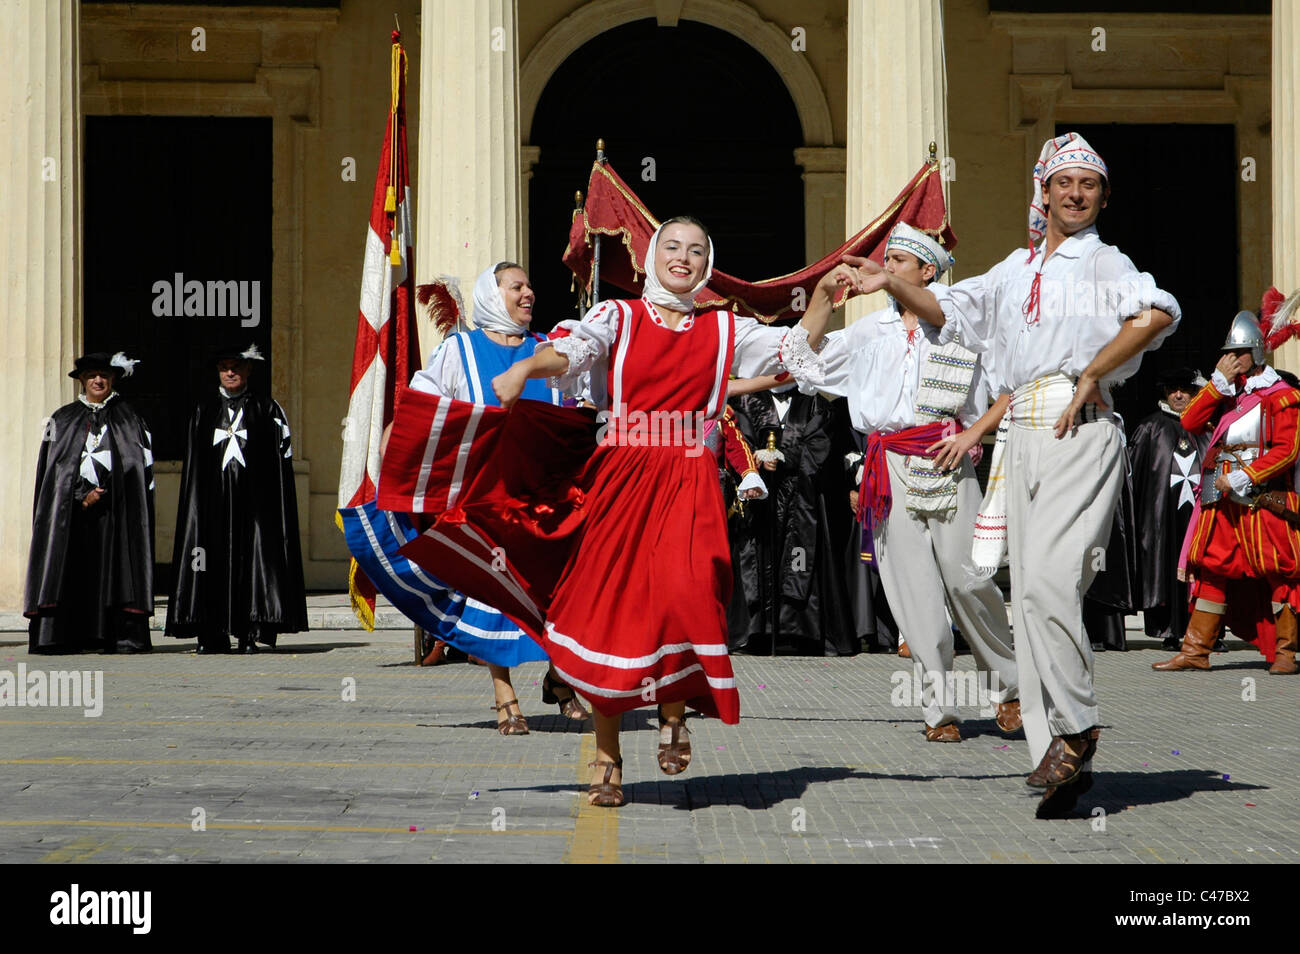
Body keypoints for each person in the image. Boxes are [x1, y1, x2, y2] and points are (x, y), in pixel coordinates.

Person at [383, 217, 836, 806]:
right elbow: (571, 353)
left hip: (689, 483)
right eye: (672, 246)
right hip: (621, 479)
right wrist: (523, 368)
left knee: (689, 592)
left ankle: (674, 711)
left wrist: (824, 297)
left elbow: (792, 349)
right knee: (612, 612)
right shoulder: (617, 317)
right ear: (651, 258)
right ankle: (607, 753)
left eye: (697, 250)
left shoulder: (726, 329)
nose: (684, 257)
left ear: (708, 264)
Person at [848, 133, 1179, 816]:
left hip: (1075, 425)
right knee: (1026, 597)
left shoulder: (1103, 263)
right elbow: (952, 313)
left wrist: (1092, 371)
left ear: (1103, 197)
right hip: (1019, 435)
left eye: (1090, 184)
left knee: (1055, 583)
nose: (1077, 194)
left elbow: (1156, 312)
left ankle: (1078, 727)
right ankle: (1056, 756)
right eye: (1066, 183)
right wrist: (894, 283)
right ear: (1045, 192)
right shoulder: (1013, 271)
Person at [349, 263, 590, 732]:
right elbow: (426, 400)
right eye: (516, 286)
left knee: (563, 592)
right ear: (490, 294)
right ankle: (505, 696)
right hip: (486, 494)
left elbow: (582, 401)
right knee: (493, 593)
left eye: (529, 285)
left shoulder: (546, 351)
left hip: (545, 495)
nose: (529, 293)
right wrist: (397, 435)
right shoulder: (461, 349)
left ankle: (560, 680)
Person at [803, 222, 1021, 741]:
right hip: (889, 463)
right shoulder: (867, 332)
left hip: (948, 458)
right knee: (913, 593)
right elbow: (804, 364)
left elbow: (1012, 388)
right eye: (889, 259)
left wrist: (972, 436)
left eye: (899, 261)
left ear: (928, 270)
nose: (888, 268)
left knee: (969, 578)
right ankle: (938, 711)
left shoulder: (960, 325)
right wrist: (821, 302)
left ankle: (1010, 686)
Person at [1153, 311, 1300, 676]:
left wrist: (1244, 478)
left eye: (1238, 352)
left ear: (1255, 352)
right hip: (1222, 504)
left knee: (1280, 570)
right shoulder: (1228, 394)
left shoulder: (1283, 397)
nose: (1231, 358)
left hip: (1264, 500)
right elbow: (1189, 421)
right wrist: (1217, 383)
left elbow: (1287, 449)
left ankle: (1285, 653)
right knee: (1212, 569)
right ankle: (1195, 650)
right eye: (1227, 352)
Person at [166, 344, 308, 653]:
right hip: (211, 508)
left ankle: (248, 632)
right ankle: (210, 633)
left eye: (237, 367)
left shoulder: (267, 410)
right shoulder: (203, 411)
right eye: (225, 367)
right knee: (206, 564)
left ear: (248, 371)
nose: (231, 372)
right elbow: (194, 467)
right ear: (218, 372)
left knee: (251, 565)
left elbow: (278, 466)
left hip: (254, 510)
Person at [26, 352, 155, 654]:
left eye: (105, 376)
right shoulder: (60, 418)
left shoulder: (130, 418)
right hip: (71, 515)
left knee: (113, 571)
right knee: (70, 570)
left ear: (112, 380)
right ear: (82, 380)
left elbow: (139, 466)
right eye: (93, 375)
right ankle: (63, 636)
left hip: (115, 513)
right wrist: (80, 495)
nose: (99, 380)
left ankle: (115, 636)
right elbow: (51, 472)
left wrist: (107, 490)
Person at [727, 380, 856, 656]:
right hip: (760, 497)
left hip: (800, 496)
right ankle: (756, 631)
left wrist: (787, 456)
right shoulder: (747, 401)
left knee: (798, 556)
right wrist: (757, 457)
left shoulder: (813, 402)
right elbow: (737, 437)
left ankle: (795, 630)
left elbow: (821, 445)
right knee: (757, 557)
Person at [1129, 368, 1210, 649]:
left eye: (1185, 390)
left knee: (1203, 570)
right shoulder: (1150, 428)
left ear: (1195, 393)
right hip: (1161, 519)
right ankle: (1168, 631)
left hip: (1199, 519)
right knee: (1164, 568)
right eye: (1173, 389)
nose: (1178, 395)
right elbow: (1136, 481)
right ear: (1165, 393)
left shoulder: (1207, 429)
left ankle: (1206, 632)